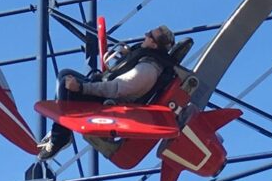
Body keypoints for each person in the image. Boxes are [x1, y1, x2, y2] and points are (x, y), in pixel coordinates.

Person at [36, 24, 182, 158]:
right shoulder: (147, 58)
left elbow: (115, 89)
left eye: (149, 34)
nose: (145, 34)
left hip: (112, 105)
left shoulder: (147, 71)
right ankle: (61, 130)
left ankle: (60, 137)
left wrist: (82, 88)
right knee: (65, 74)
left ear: (154, 44)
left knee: (65, 86)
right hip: (111, 92)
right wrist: (126, 57)